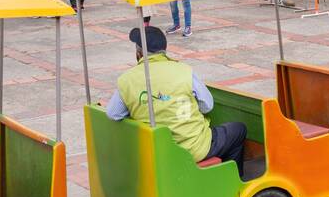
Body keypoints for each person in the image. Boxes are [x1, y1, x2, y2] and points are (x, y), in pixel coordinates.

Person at [105, 25, 245, 171]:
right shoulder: (184, 70)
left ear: (139, 53)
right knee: (238, 129)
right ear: (164, 50)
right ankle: (233, 182)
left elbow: (113, 113)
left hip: (154, 151)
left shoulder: (126, 80)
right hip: (194, 148)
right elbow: (207, 106)